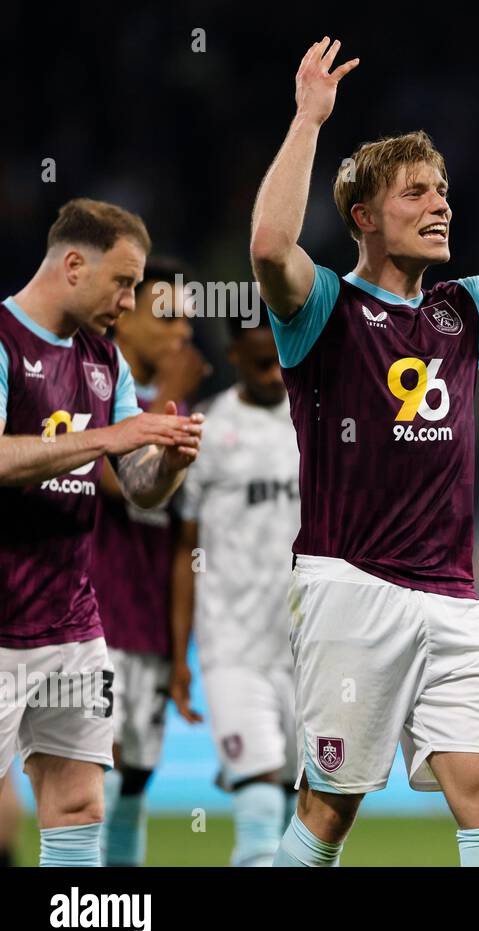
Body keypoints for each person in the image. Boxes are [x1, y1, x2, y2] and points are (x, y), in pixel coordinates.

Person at [249, 37, 479, 866]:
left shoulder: (466, 309)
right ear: (363, 218)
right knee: (329, 806)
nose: (439, 203)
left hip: (452, 600)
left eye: (444, 190)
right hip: (350, 585)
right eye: (415, 192)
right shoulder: (323, 310)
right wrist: (310, 120)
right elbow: (271, 249)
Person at [0, 199, 203, 866]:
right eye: (123, 282)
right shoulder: (3, 338)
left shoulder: (104, 362)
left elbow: (137, 484)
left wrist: (167, 464)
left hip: (72, 625)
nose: (130, 299)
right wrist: (109, 435)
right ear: (75, 264)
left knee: (79, 804)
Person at [171, 312, 301, 866]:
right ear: (235, 358)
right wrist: (179, 655)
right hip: (232, 647)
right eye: (260, 362)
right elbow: (185, 550)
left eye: (279, 358)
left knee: (313, 816)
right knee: (258, 810)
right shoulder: (208, 432)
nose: (274, 373)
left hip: (309, 647)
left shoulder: (319, 419)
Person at [91, 258, 207, 865]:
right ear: (126, 315)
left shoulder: (175, 410)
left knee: (134, 783)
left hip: (150, 633)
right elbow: (120, 486)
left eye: (188, 319)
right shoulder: (93, 390)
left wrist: (178, 649)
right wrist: (165, 399)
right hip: (93, 623)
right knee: (96, 781)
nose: (183, 331)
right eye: (169, 315)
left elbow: (186, 548)